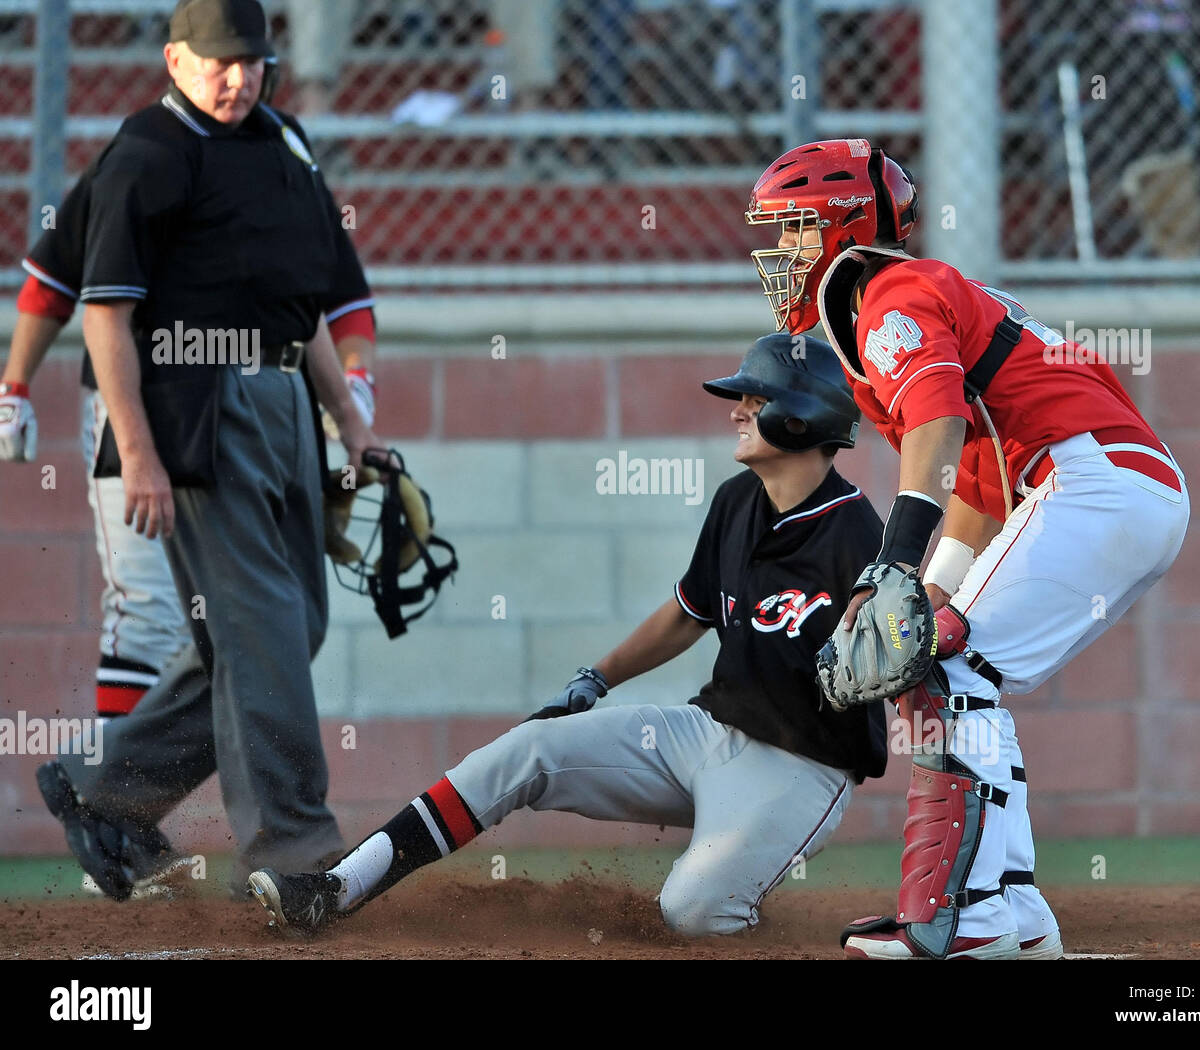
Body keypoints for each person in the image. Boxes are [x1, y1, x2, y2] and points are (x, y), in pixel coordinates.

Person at [247, 333, 890, 937]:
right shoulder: (735, 502)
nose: (736, 412)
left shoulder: (857, 532)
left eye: (755, 399)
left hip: (802, 768)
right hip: (711, 733)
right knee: (531, 746)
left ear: (799, 417)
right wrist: (597, 676)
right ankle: (335, 888)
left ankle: (756, 920)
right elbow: (685, 614)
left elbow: (900, 650)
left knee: (691, 912)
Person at [745, 138, 1189, 959]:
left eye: (796, 229)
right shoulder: (893, 301)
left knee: (946, 672)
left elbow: (940, 432)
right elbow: (980, 482)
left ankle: (970, 918)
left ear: (846, 224)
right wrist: (932, 593)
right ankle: (1014, 920)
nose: (780, 251)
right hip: (1110, 484)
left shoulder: (891, 293)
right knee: (948, 661)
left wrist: (890, 564)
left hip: (1090, 480)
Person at [34, 0, 384, 900]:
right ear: (176, 59)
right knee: (260, 623)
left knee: (286, 626)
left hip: (283, 395)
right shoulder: (150, 151)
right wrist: (140, 456)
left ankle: (103, 790)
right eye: (216, 62)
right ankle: (293, 851)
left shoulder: (285, 142)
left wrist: (351, 422)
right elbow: (106, 315)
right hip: (195, 401)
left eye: (251, 62)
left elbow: (305, 302)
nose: (236, 78)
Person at [1, 171, 377, 723]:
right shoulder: (145, 153)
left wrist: (355, 390)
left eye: (247, 74)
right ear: (178, 75)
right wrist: (13, 384)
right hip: (139, 399)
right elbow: (56, 275)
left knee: (262, 618)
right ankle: (105, 796)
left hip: (254, 405)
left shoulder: (282, 157)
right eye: (217, 74)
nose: (233, 82)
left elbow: (341, 297)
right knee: (150, 611)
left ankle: (122, 790)